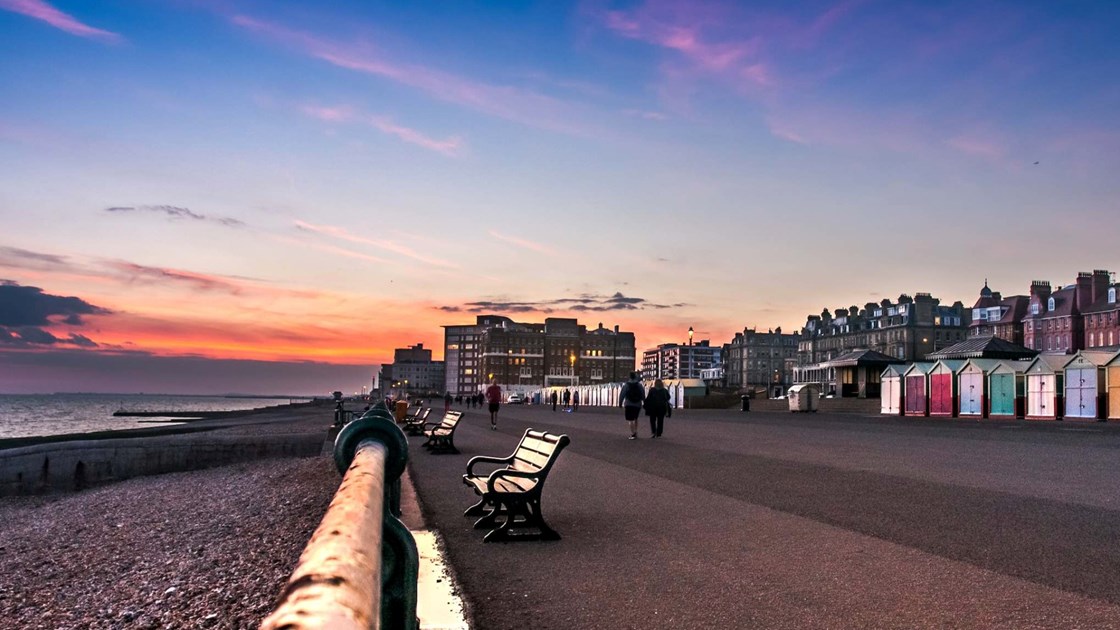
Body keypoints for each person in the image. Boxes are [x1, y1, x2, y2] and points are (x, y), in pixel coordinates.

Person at [619, 372, 645, 439]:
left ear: (629, 377)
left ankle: (633, 433)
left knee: (630, 419)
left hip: (628, 404)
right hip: (637, 404)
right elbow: (642, 394)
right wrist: (644, 402)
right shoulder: (639, 385)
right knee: (636, 418)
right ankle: (636, 431)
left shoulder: (626, 385)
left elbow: (622, 394)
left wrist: (620, 403)